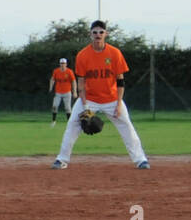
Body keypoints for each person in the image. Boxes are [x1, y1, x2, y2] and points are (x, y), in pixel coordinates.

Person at [52, 21, 151, 169]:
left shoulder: (115, 53)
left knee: (126, 126)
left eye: (101, 32)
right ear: (90, 34)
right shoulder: (83, 55)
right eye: (95, 32)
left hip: (111, 99)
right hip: (90, 99)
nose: (98, 35)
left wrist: (118, 104)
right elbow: (81, 83)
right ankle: (62, 159)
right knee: (73, 124)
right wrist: (85, 107)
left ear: (106, 34)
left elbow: (120, 82)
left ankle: (140, 160)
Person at [49, 56, 76, 126]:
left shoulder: (69, 71)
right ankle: (53, 121)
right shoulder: (56, 71)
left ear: (66, 64)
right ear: (59, 64)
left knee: (67, 108)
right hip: (58, 92)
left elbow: (73, 81)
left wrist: (75, 91)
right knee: (55, 106)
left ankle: (69, 122)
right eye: (61, 63)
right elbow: (52, 79)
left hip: (67, 92)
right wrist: (51, 88)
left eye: (64, 63)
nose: (62, 65)